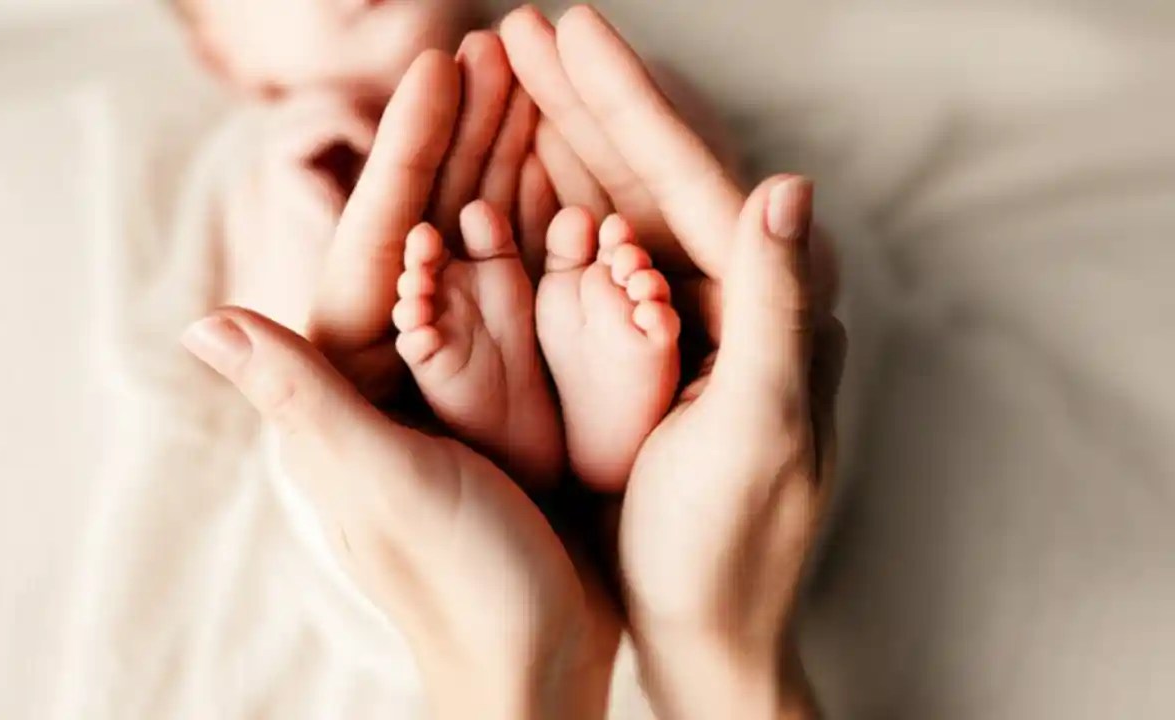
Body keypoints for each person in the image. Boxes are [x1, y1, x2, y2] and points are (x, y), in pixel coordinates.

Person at [182, 5, 846, 719]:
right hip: (405, 514)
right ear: (225, 58)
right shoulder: (279, 162)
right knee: (321, 441)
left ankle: (600, 419)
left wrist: (761, 252)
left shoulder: (569, 69)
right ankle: (510, 428)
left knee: (740, 277)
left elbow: (714, 210)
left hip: (649, 396)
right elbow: (280, 353)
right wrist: (312, 212)